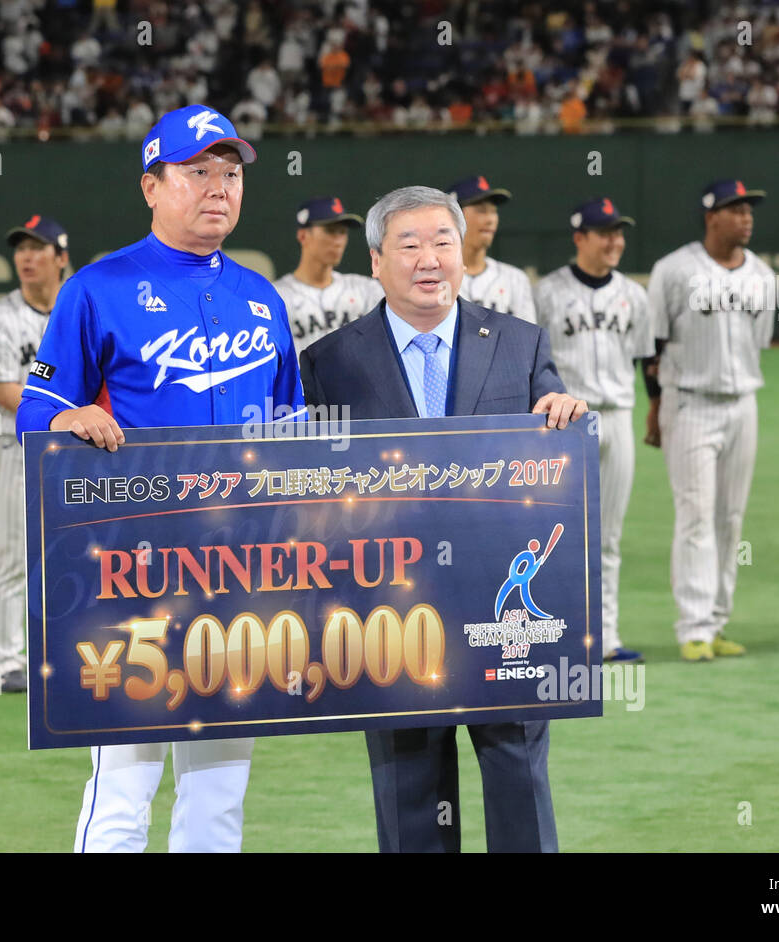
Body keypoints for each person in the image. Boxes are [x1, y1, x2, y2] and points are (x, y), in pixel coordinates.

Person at [15, 104, 305, 853]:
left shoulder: (262, 298)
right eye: (198, 171)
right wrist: (65, 420)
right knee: (123, 793)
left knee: (218, 798)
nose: (219, 187)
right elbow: (35, 413)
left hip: (241, 574)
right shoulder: (97, 288)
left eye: (231, 173)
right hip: (134, 577)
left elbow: (291, 435)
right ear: (152, 186)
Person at [299, 185, 586, 853]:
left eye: (442, 242)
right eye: (409, 245)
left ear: (463, 252)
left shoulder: (520, 342)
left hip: (501, 608)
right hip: (391, 614)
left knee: (519, 776)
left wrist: (564, 413)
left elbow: (550, 426)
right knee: (409, 790)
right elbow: (314, 494)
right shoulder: (331, 362)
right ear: (375, 262)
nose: (429, 259)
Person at [646, 179, 775, 662]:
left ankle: (718, 621)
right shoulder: (674, 270)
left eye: (749, 209)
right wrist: (656, 406)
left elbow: (757, 341)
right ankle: (694, 626)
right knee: (696, 514)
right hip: (690, 404)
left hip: (744, 404)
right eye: (735, 209)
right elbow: (653, 344)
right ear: (710, 217)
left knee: (730, 517)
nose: (746, 217)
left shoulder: (762, 274)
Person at [534, 198, 653, 663]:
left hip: (619, 415)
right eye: (604, 232)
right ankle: (556, 633)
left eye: (618, 232)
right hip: (566, 421)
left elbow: (644, 359)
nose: (614, 241)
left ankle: (604, 637)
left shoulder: (634, 295)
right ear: (579, 238)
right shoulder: (547, 293)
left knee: (609, 535)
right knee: (554, 533)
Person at [0, 214, 70, 692]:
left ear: (61, 257)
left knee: (74, 555)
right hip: (16, 450)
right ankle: (4, 663)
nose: (26, 257)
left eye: (38, 248)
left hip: (77, 453)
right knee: (15, 556)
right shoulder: (0, 316)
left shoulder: (81, 307)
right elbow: (1, 387)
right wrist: (63, 416)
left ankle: (66, 653)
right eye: (21, 249)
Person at [272, 196, 383, 354]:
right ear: (303, 235)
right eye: (330, 231)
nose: (338, 241)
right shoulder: (277, 296)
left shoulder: (366, 290)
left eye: (342, 232)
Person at [447, 175, 537, 323]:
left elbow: (528, 343)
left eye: (493, 211)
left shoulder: (515, 280)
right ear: (454, 217)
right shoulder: (433, 280)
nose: (490, 219)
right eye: (481, 211)